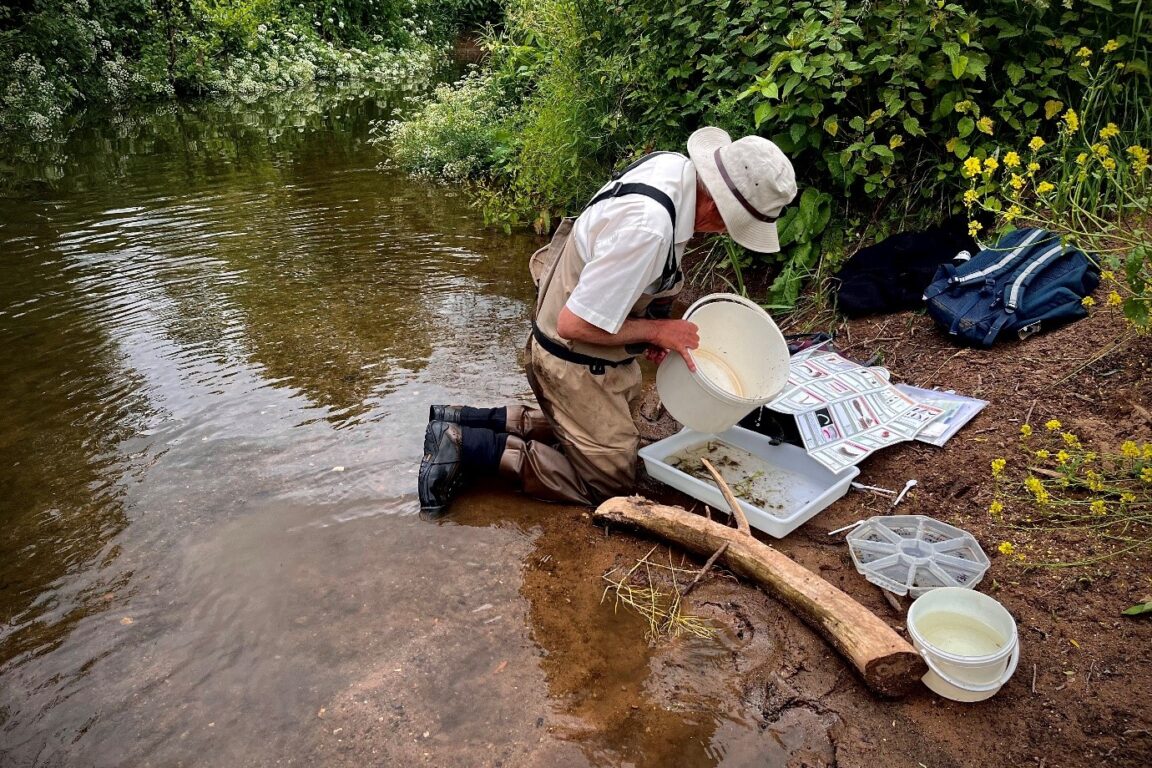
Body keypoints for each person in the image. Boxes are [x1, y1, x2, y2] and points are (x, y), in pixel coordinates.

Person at [418, 126, 797, 518]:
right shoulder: (648, 228)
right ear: (718, 209)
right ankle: (466, 444)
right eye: (732, 226)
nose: (725, 235)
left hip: (570, 317)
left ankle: (466, 417)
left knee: (609, 437)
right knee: (611, 485)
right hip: (567, 353)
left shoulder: (674, 170)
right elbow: (574, 326)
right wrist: (656, 330)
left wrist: (647, 329)